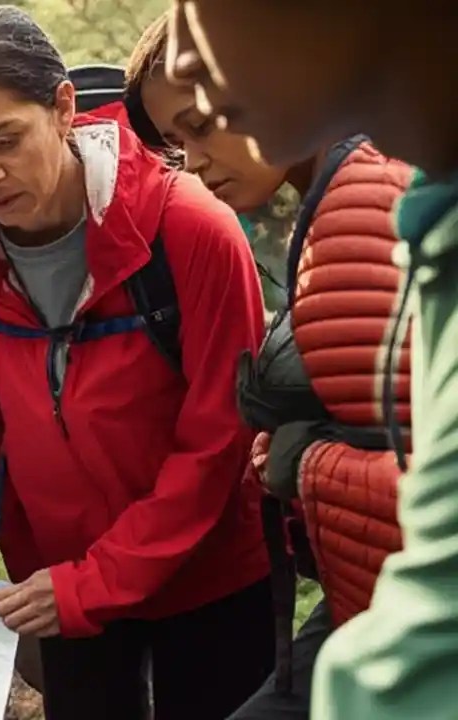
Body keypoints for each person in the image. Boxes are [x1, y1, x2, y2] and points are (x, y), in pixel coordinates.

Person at [0, 7, 274, 719]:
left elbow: (216, 441)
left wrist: (94, 579)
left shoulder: (191, 227)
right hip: (64, 583)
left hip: (214, 577)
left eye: (6, 140)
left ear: (63, 107)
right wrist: (47, 574)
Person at [165, 2, 458, 719]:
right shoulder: (417, 201)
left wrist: (311, 464)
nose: (181, 53)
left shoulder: (364, 205)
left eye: (199, 123)